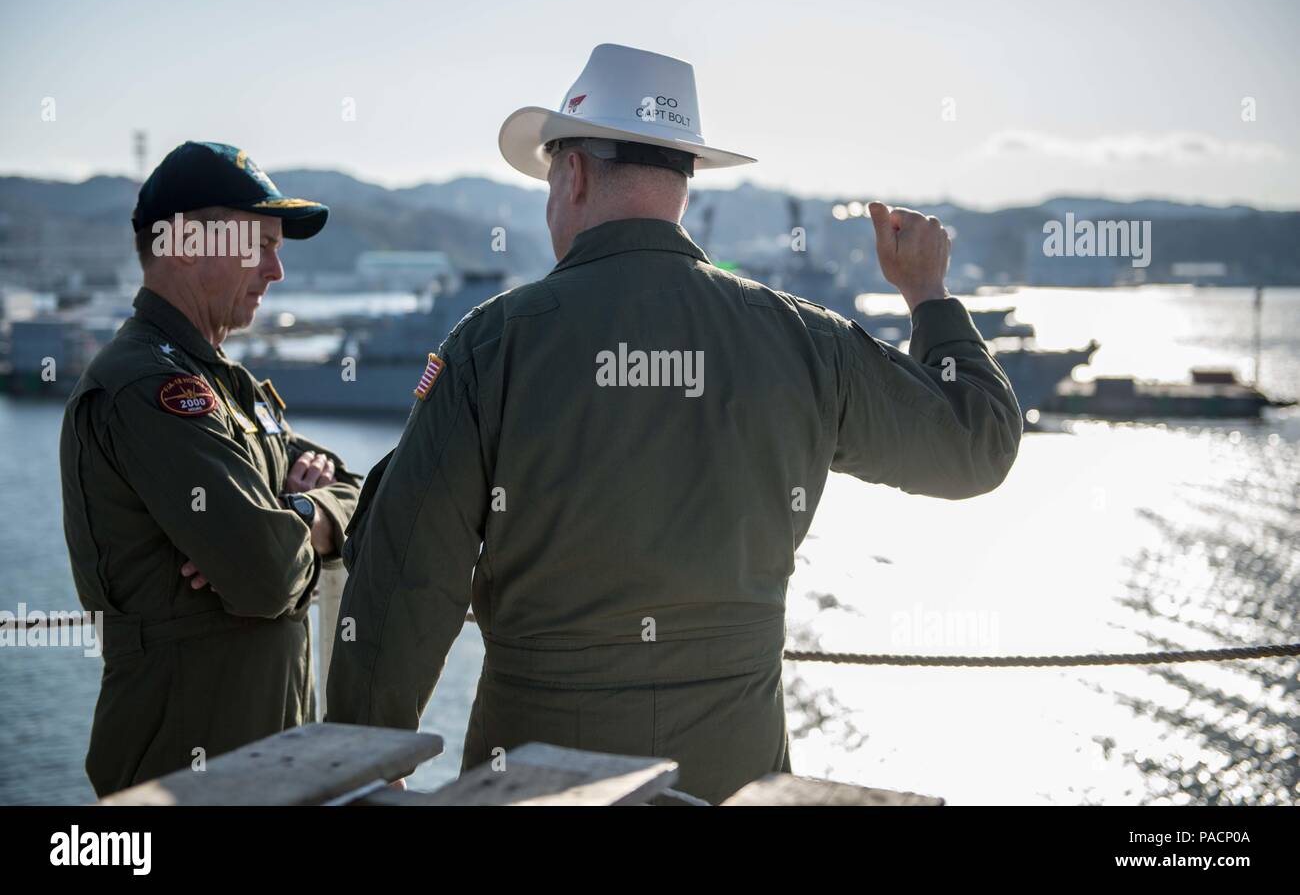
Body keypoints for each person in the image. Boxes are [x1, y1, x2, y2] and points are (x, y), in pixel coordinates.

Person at [326, 45, 1022, 803]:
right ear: (683, 185)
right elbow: (976, 445)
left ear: (574, 174)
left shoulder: (492, 346)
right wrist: (930, 296)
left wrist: (367, 761)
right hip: (735, 781)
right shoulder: (802, 339)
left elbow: (405, 583)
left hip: (533, 784)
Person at [60, 141, 362, 796]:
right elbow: (261, 572)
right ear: (185, 243)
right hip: (181, 778)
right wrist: (283, 532)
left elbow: (359, 488)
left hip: (269, 766)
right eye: (259, 243)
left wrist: (302, 515)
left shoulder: (230, 387)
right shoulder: (149, 387)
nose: (277, 270)